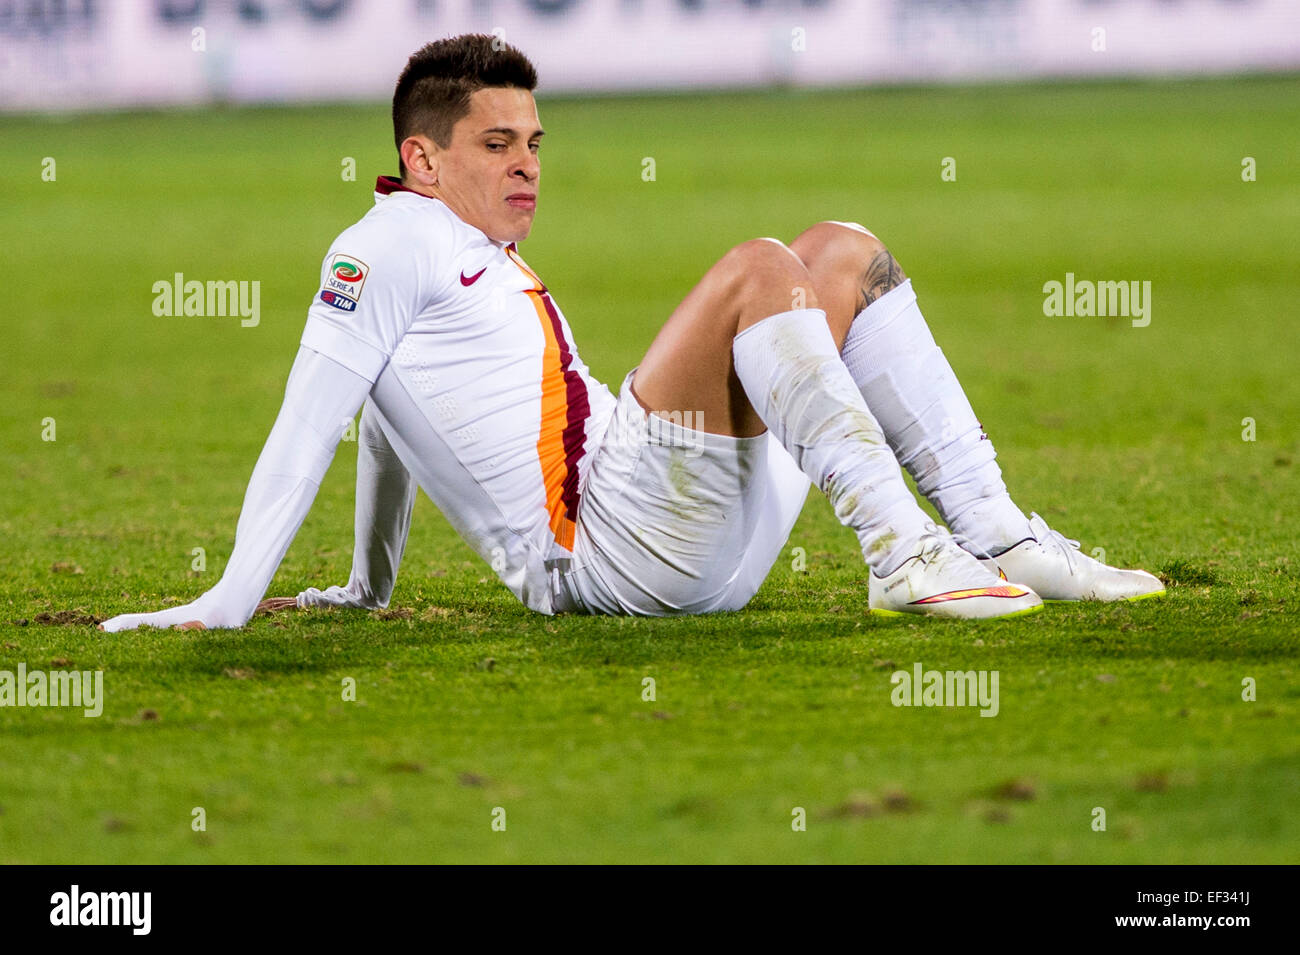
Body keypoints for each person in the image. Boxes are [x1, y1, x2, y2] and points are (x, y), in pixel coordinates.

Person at [99, 34, 1162, 633]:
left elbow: (388, 415)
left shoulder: (452, 248)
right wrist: (229, 600)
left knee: (841, 251)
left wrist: (367, 584)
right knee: (759, 268)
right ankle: (898, 549)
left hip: (691, 539)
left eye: (534, 142)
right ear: (421, 160)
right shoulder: (381, 245)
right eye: (496, 143)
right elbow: (310, 417)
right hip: (611, 553)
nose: (527, 164)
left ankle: (995, 532)